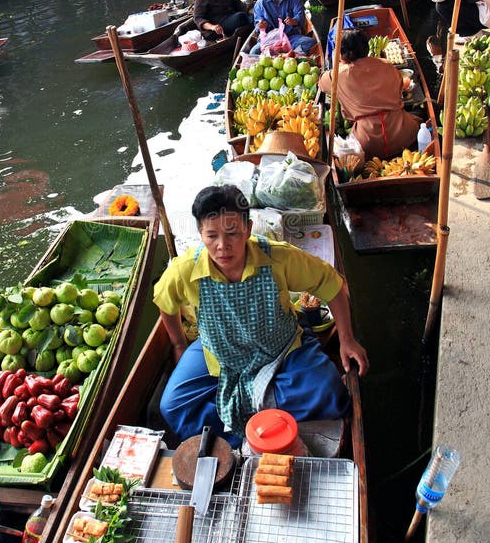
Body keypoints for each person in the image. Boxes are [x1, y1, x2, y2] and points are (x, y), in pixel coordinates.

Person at [154, 184, 368, 444]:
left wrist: (346, 338)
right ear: (200, 233)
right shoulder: (185, 269)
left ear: (248, 228)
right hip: (218, 351)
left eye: (232, 233)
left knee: (328, 390)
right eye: (212, 236)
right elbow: (166, 303)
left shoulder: (278, 257)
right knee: (173, 405)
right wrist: (178, 344)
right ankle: (239, 439)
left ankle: (254, 425)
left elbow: (331, 285)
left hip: (280, 346)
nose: (222, 246)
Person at [318, 30, 420, 160]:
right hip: (404, 134)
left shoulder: (339, 74)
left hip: (368, 144)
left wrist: (339, 64)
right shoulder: (387, 65)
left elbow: (321, 83)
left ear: (341, 53)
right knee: (418, 114)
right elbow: (400, 88)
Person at [250, 0, 317, 56]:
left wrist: (294, 21)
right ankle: (292, 55)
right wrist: (261, 26)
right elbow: (257, 28)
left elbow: (301, 17)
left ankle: (288, 55)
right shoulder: (260, 3)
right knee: (253, 52)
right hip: (270, 41)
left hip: (291, 37)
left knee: (311, 42)